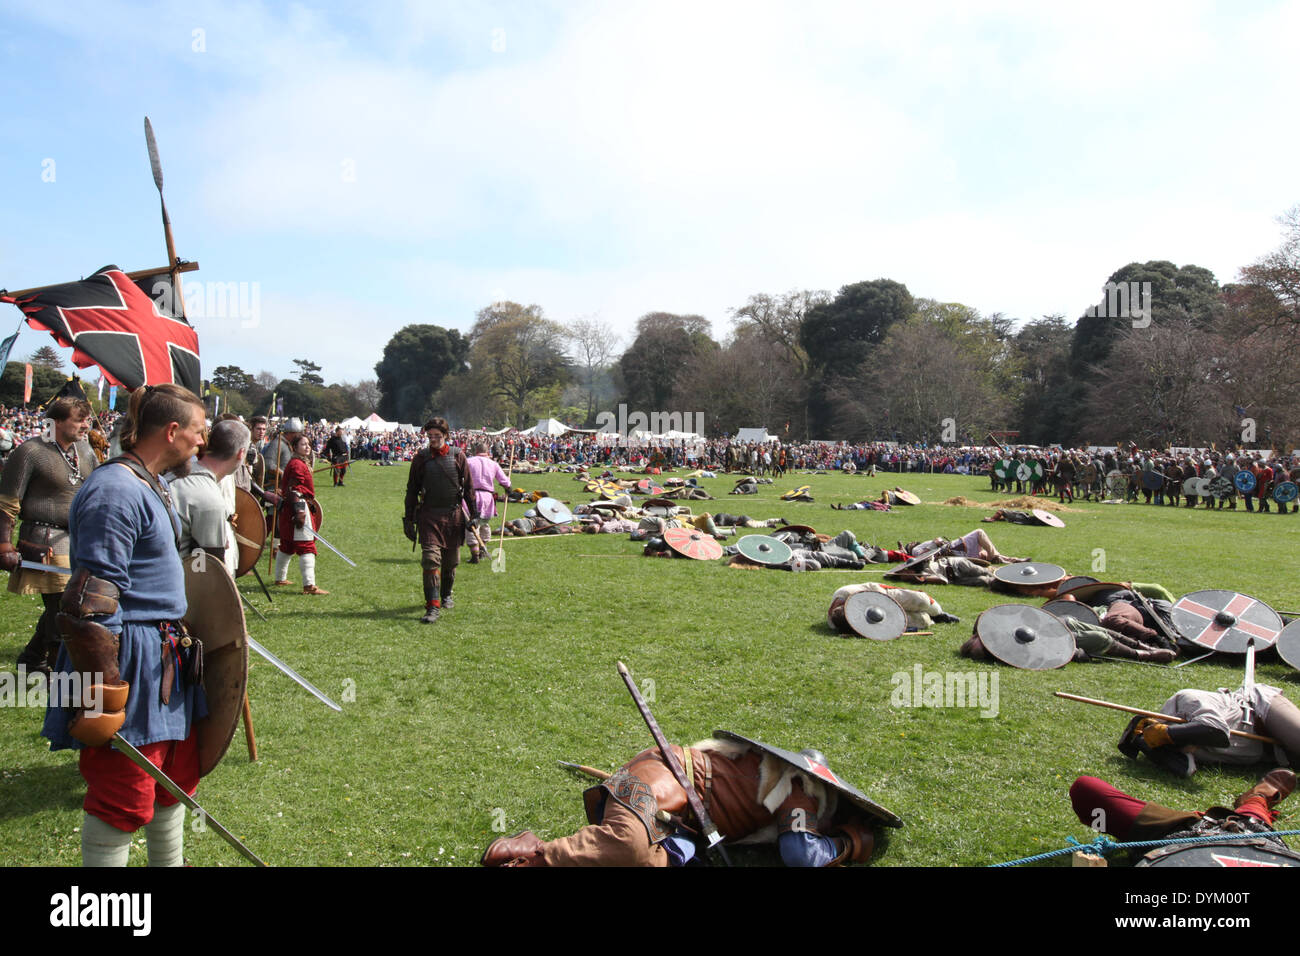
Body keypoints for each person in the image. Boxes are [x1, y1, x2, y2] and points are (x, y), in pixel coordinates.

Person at [41, 383, 208, 866]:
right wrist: (105, 692)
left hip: (164, 655)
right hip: (127, 659)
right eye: (197, 432)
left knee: (171, 779)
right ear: (172, 431)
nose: (202, 442)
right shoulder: (115, 491)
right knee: (123, 790)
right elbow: (89, 603)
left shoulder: (149, 482)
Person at [480, 734, 881, 867]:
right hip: (661, 781)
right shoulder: (800, 788)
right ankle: (536, 853)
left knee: (654, 862)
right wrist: (849, 843)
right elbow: (802, 855)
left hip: (683, 822)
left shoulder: (786, 788)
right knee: (628, 846)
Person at [1, 396, 98, 676]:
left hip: (77, 540)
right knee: (63, 604)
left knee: (66, 602)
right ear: (55, 422)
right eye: (78, 420)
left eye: (87, 419)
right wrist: (4, 542)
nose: (85, 425)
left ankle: (32, 657)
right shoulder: (30, 451)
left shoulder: (84, 450)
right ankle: (57, 666)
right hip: (45, 540)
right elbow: (7, 502)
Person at [1070, 769, 1295, 848]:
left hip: (1175, 839)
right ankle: (1257, 800)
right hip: (1251, 837)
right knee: (1252, 822)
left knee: (1087, 791)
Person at [1118, 684, 1300, 777]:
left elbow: (1216, 731)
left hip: (1261, 711)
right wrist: (1149, 747)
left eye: (1143, 730)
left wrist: (1166, 734)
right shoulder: (1163, 743)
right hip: (1273, 752)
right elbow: (1185, 769)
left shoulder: (1184, 699)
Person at [404, 418, 476, 623]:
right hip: (429, 515)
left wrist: (475, 515)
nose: (433, 439)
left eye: (437, 436)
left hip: (453, 516)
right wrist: (408, 518)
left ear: (446, 436)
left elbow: (469, 488)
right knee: (430, 560)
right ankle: (432, 606)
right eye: (430, 436)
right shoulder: (421, 458)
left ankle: (446, 595)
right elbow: (412, 490)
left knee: (450, 563)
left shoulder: (458, 456)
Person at [169, 419, 250, 577]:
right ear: (241, 453)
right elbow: (208, 571)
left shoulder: (174, 474)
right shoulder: (209, 498)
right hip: (176, 586)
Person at [273, 433, 327, 594]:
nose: (307, 447)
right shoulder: (297, 465)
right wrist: (299, 512)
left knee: (287, 546)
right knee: (306, 547)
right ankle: (309, 586)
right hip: (297, 507)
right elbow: (293, 490)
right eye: (303, 444)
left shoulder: (297, 462)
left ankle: (280, 578)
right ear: (294, 447)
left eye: (308, 444)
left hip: (291, 508)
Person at [464, 440, 511, 563]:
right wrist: (508, 488)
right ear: (487, 452)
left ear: (476, 451)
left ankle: (475, 554)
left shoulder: (468, 461)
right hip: (487, 498)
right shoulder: (493, 464)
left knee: (473, 525)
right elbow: (504, 480)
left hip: (472, 496)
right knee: (484, 523)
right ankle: (481, 550)